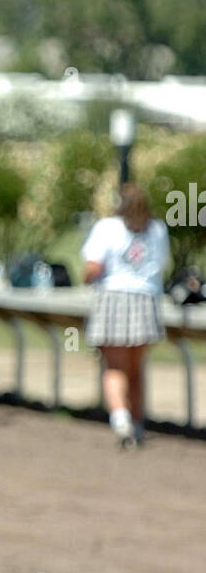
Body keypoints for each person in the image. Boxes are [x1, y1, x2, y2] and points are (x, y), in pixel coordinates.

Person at [82, 183, 170, 447]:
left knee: (114, 368)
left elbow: (93, 267)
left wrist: (84, 279)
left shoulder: (107, 227)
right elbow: (162, 264)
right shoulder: (157, 229)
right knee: (135, 368)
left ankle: (121, 420)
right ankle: (138, 422)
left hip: (114, 298)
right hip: (146, 300)